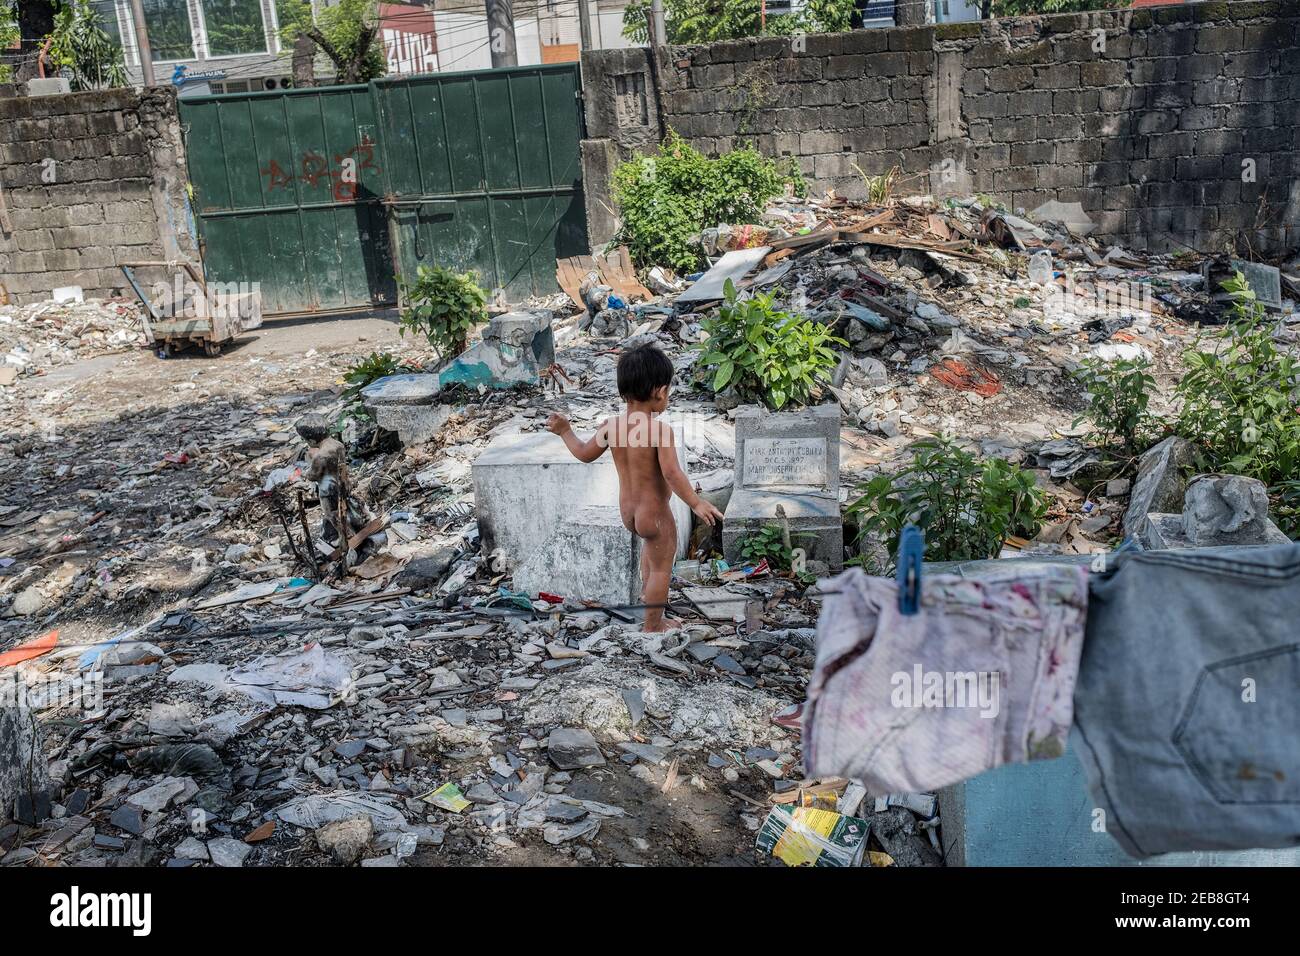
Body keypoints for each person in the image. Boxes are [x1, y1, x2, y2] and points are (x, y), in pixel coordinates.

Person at [547, 344, 723, 631]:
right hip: (654, 513)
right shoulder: (659, 430)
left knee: (650, 558)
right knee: (662, 568)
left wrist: (565, 431)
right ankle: (653, 624)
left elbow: (583, 453)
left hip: (628, 513)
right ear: (660, 391)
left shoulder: (611, 427)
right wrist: (696, 503)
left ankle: (648, 603)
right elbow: (671, 473)